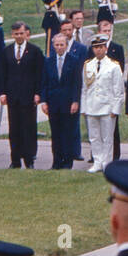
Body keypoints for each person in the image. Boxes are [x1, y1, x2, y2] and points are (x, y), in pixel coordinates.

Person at [0, 22, 44, 169]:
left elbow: (39, 74)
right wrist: (3, 92)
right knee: (14, 130)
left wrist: (38, 93)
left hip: (29, 97)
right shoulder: (7, 51)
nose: (18, 36)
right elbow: (2, 74)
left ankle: (29, 160)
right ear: (12, 35)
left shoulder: (35, 51)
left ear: (27, 34)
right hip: (12, 97)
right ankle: (15, 160)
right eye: (16, 33)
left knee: (28, 129)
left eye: (21, 33)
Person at [81, 34, 125, 173]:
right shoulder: (88, 64)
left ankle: (107, 162)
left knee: (107, 137)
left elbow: (118, 90)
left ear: (106, 48)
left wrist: (116, 109)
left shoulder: (113, 66)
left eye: (101, 47)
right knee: (94, 137)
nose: (98, 50)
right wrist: (83, 107)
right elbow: (84, 88)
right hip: (91, 106)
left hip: (107, 107)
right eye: (95, 47)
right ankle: (97, 162)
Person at [42, 32, 82, 169]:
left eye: (62, 44)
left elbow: (77, 83)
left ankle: (67, 162)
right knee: (56, 134)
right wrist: (44, 101)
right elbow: (44, 83)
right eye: (57, 45)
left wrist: (75, 101)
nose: (59, 47)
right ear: (53, 46)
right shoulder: (48, 61)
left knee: (67, 133)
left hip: (68, 102)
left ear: (66, 45)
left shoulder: (74, 60)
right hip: (53, 103)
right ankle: (56, 162)